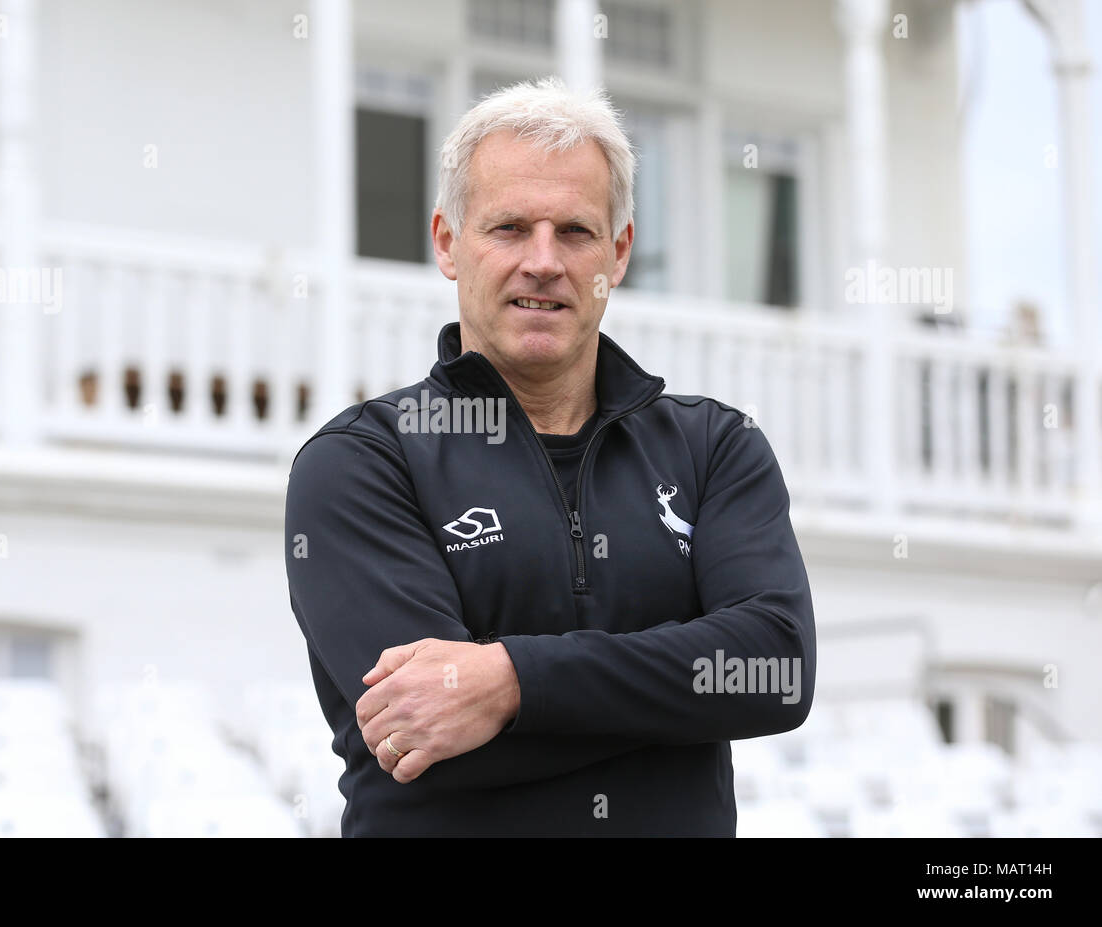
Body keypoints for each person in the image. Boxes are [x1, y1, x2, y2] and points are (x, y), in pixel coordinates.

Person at [284, 77, 815, 836]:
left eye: (575, 231)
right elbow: (429, 735)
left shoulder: (713, 450)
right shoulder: (362, 463)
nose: (544, 261)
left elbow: (775, 669)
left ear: (619, 252)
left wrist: (506, 682)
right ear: (447, 242)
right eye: (508, 229)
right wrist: (681, 687)